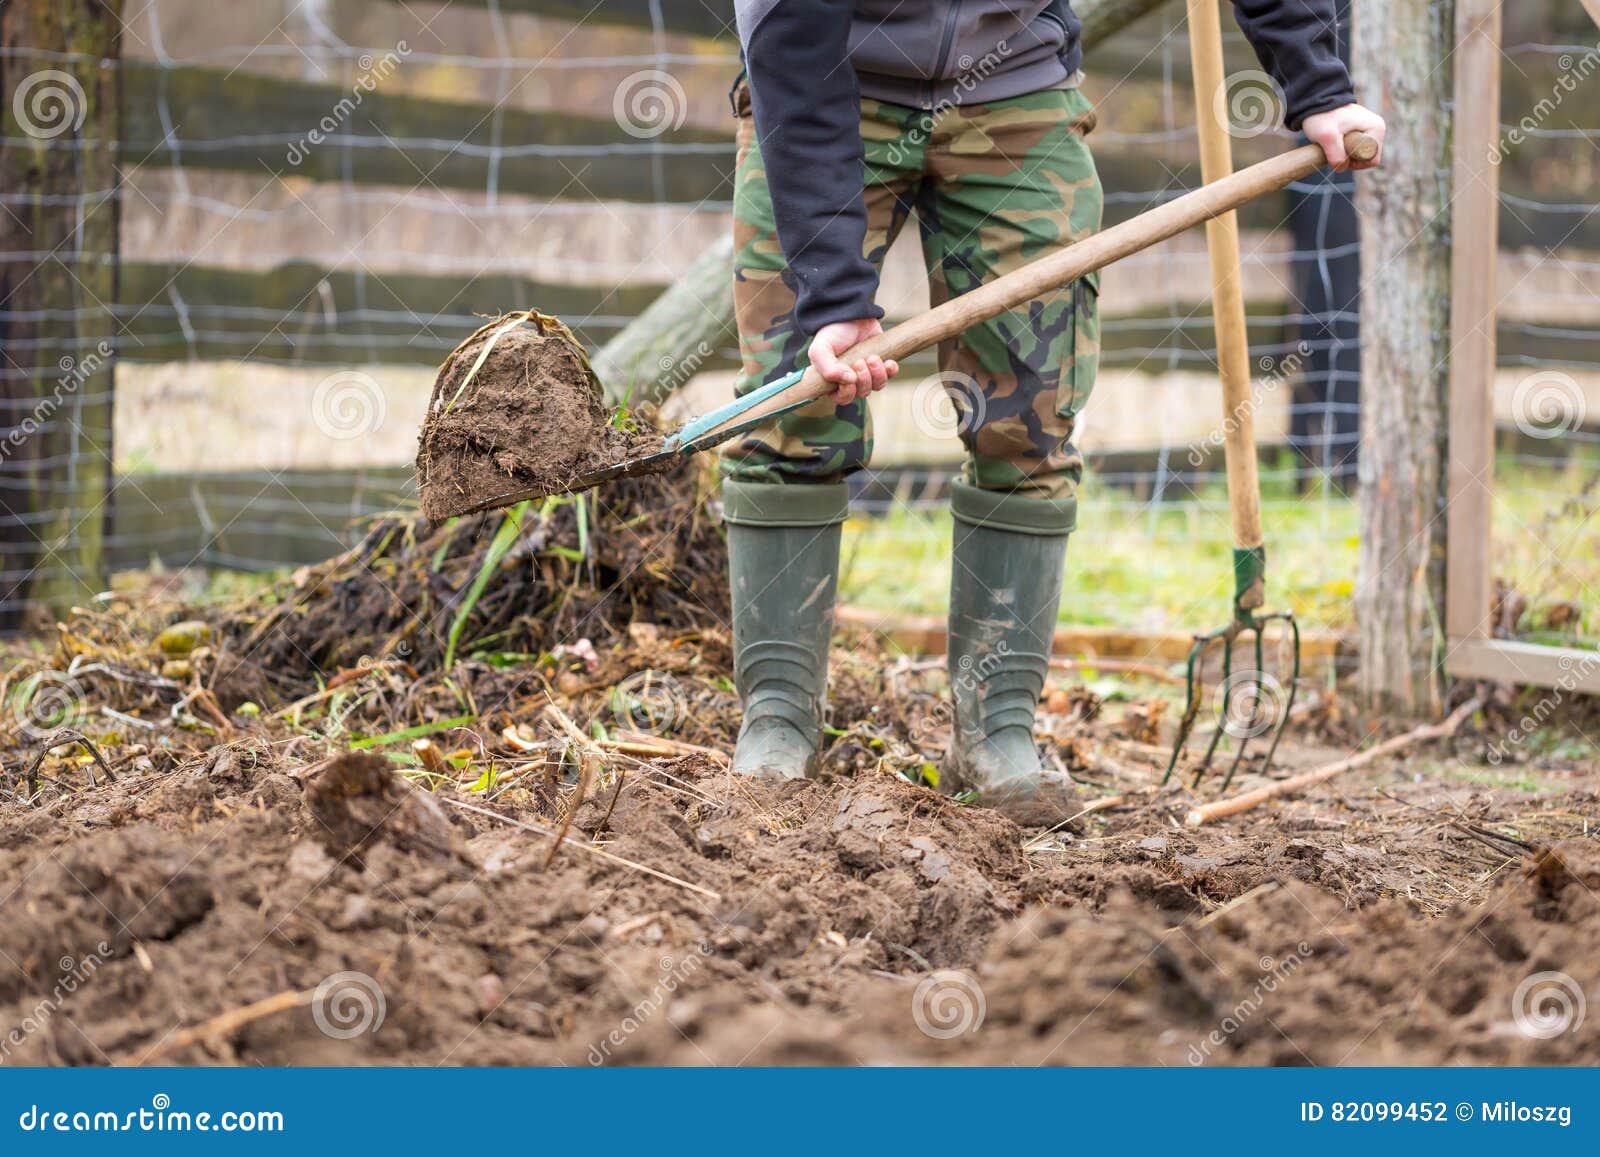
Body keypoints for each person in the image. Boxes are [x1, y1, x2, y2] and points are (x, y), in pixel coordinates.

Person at [719, 0, 1384, 823]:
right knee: (795, 407)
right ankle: (779, 719)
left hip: (1015, 90)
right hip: (825, 82)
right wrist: (834, 297)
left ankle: (995, 732)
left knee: (1028, 417)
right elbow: (788, 28)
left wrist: (1315, 82)